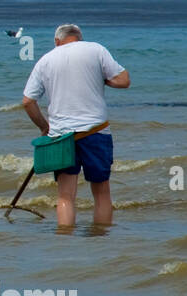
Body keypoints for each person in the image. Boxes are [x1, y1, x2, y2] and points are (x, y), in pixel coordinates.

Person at [21, 24, 130, 227]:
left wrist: (43, 127)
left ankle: (64, 241)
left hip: (61, 136)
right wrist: (103, 79)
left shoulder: (46, 60)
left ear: (57, 41)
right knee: (101, 193)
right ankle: (100, 239)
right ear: (79, 38)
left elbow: (28, 101)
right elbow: (124, 81)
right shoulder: (95, 49)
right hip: (95, 132)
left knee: (65, 196)